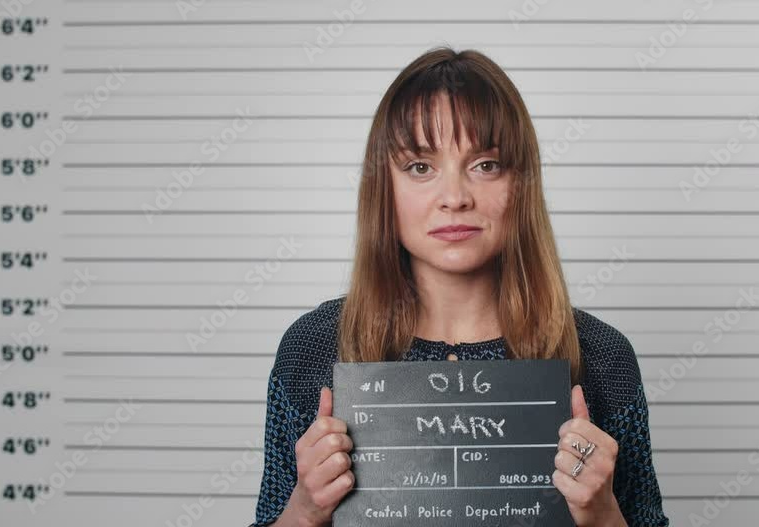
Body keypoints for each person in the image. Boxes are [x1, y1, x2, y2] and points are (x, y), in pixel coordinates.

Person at [250, 47, 669, 527]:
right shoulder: (311, 349)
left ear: (521, 185)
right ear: (383, 187)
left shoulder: (602, 356)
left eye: (486, 164)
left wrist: (602, 513)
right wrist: (304, 511)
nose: (454, 198)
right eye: (420, 167)